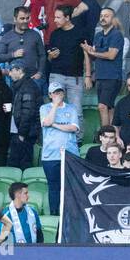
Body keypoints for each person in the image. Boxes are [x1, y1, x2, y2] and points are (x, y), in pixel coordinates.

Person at [39, 81, 80, 214]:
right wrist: (55, 105)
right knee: (53, 187)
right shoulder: (44, 108)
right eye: (55, 93)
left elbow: (73, 127)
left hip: (70, 154)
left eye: (60, 92)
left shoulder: (71, 108)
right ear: (50, 95)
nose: (58, 95)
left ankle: (70, 214)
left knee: (70, 186)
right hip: (50, 155)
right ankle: (55, 214)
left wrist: (55, 125)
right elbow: (47, 122)